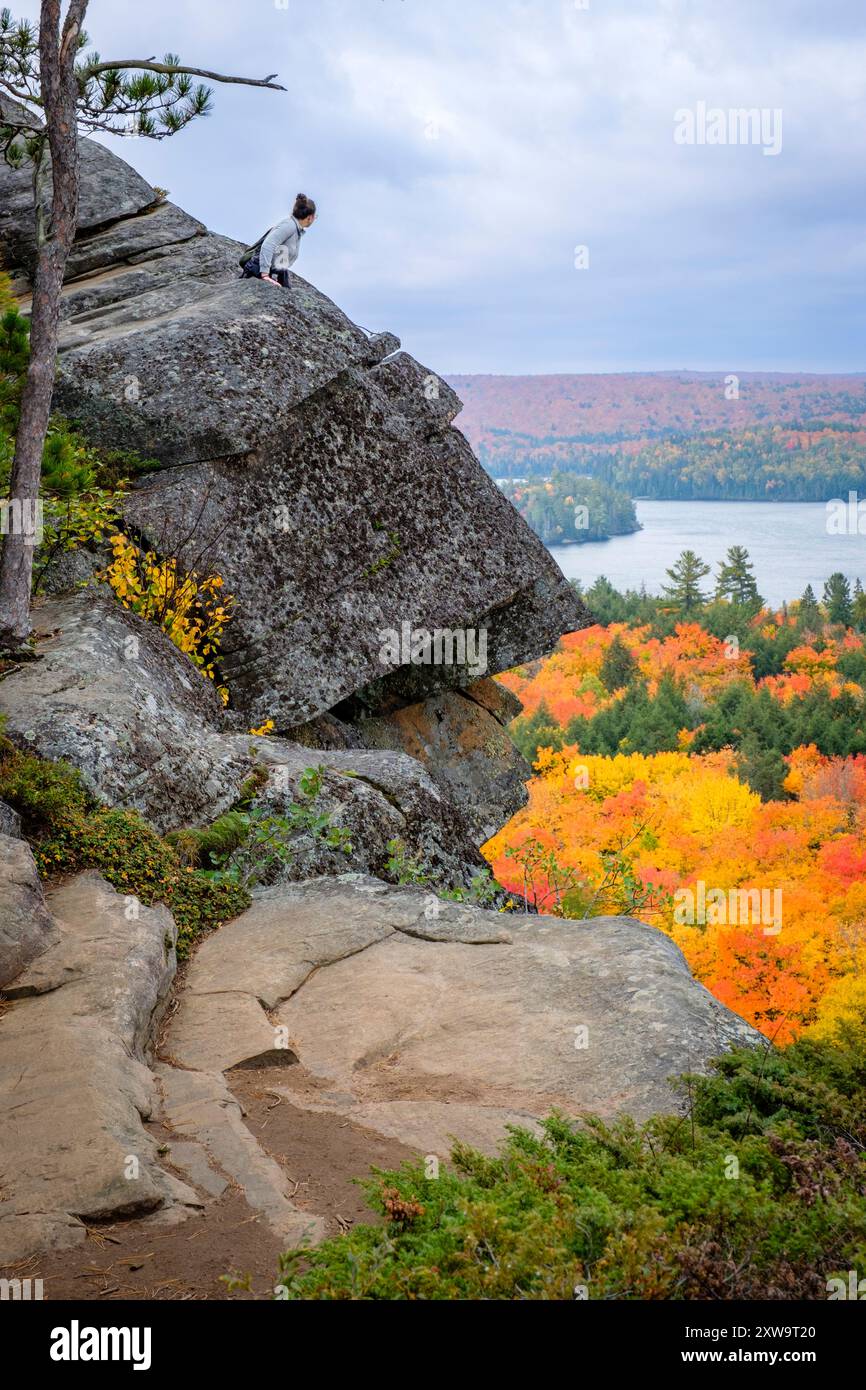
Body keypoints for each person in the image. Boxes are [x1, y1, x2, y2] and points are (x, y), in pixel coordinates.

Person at [242, 193, 317, 287]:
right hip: (258, 269)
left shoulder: (296, 229)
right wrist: (265, 275)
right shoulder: (289, 226)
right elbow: (268, 245)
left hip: (277, 271)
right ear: (310, 217)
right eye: (315, 217)